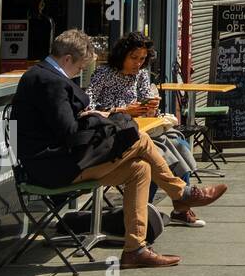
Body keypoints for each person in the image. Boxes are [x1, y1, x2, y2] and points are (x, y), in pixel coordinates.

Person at [13, 29, 228, 269]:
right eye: (80, 67)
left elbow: (64, 126)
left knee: (140, 169)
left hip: (58, 161)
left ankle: (135, 249)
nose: (80, 72)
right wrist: (97, 117)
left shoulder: (43, 75)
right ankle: (182, 194)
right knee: (139, 139)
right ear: (67, 59)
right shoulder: (49, 81)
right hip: (53, 167)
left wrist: (96, 116)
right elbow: (69, 132)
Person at [87, 32, 206, 228]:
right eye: (134, 58)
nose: (138, 63)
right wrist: (122, 110)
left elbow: (145, 103)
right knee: (156, 156)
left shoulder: (141, 74)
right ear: (122, 55)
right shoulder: (104, 73)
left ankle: (178, 207)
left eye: (142, 59)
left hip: (141, 128)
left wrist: (150, 106)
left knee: (180, 144)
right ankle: (154, 210)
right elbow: (89, 108)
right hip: (114, 134)